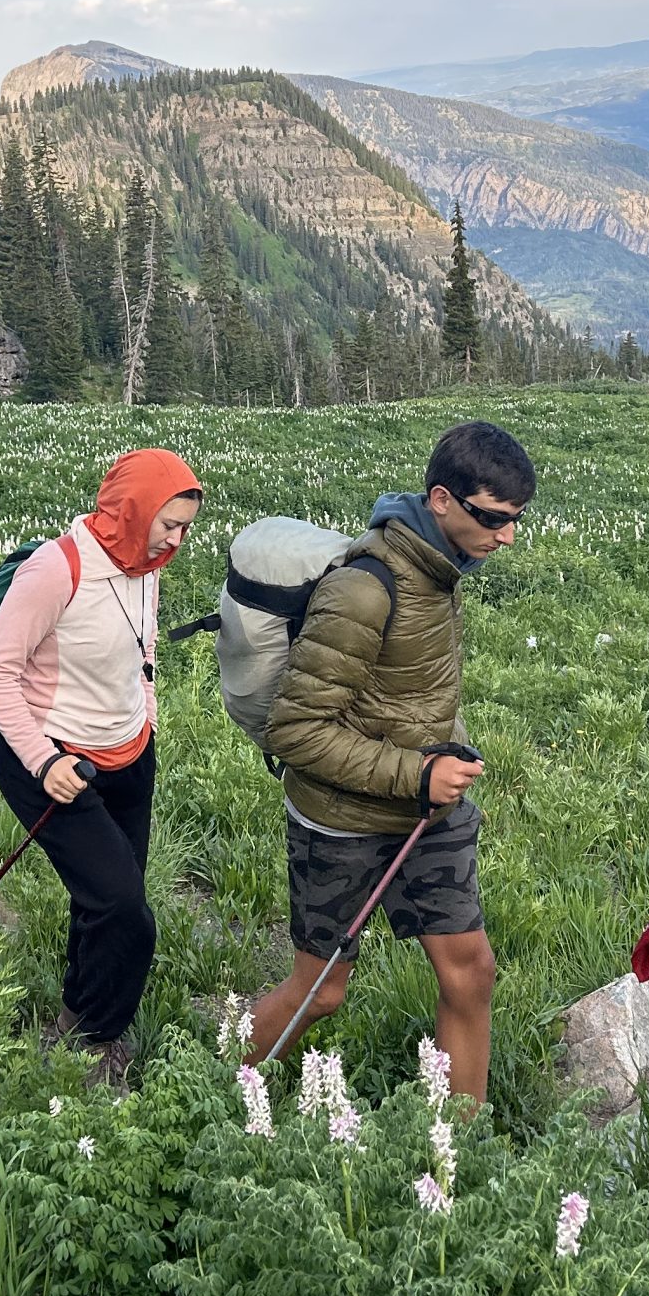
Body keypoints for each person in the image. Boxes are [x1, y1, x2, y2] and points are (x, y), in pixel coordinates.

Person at [247, 420, 534, 1104]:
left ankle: (456, 1156)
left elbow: (407, 691)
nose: (509, 537)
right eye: (495, 519)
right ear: (441, 500)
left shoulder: (442, 570)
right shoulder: (365, 589)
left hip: (428, 813)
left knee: (471, 973)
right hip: (340, 822)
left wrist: (445, 754)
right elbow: (295, 729)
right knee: (321, 992)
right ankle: (214, 1088)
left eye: (518, 519)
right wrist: (417, 773)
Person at [0, 449, 203, 1086]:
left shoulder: (146, 564)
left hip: (129, 751)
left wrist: (145, 716)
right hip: (52, 759)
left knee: (102, 895)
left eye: (185, 527)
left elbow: (142, 648)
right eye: (170, 524)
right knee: (125, 905)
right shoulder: (57, 568)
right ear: (132, 512)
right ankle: (93, 1038)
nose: (177, 541)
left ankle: (78, 1010)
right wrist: (45, 760)